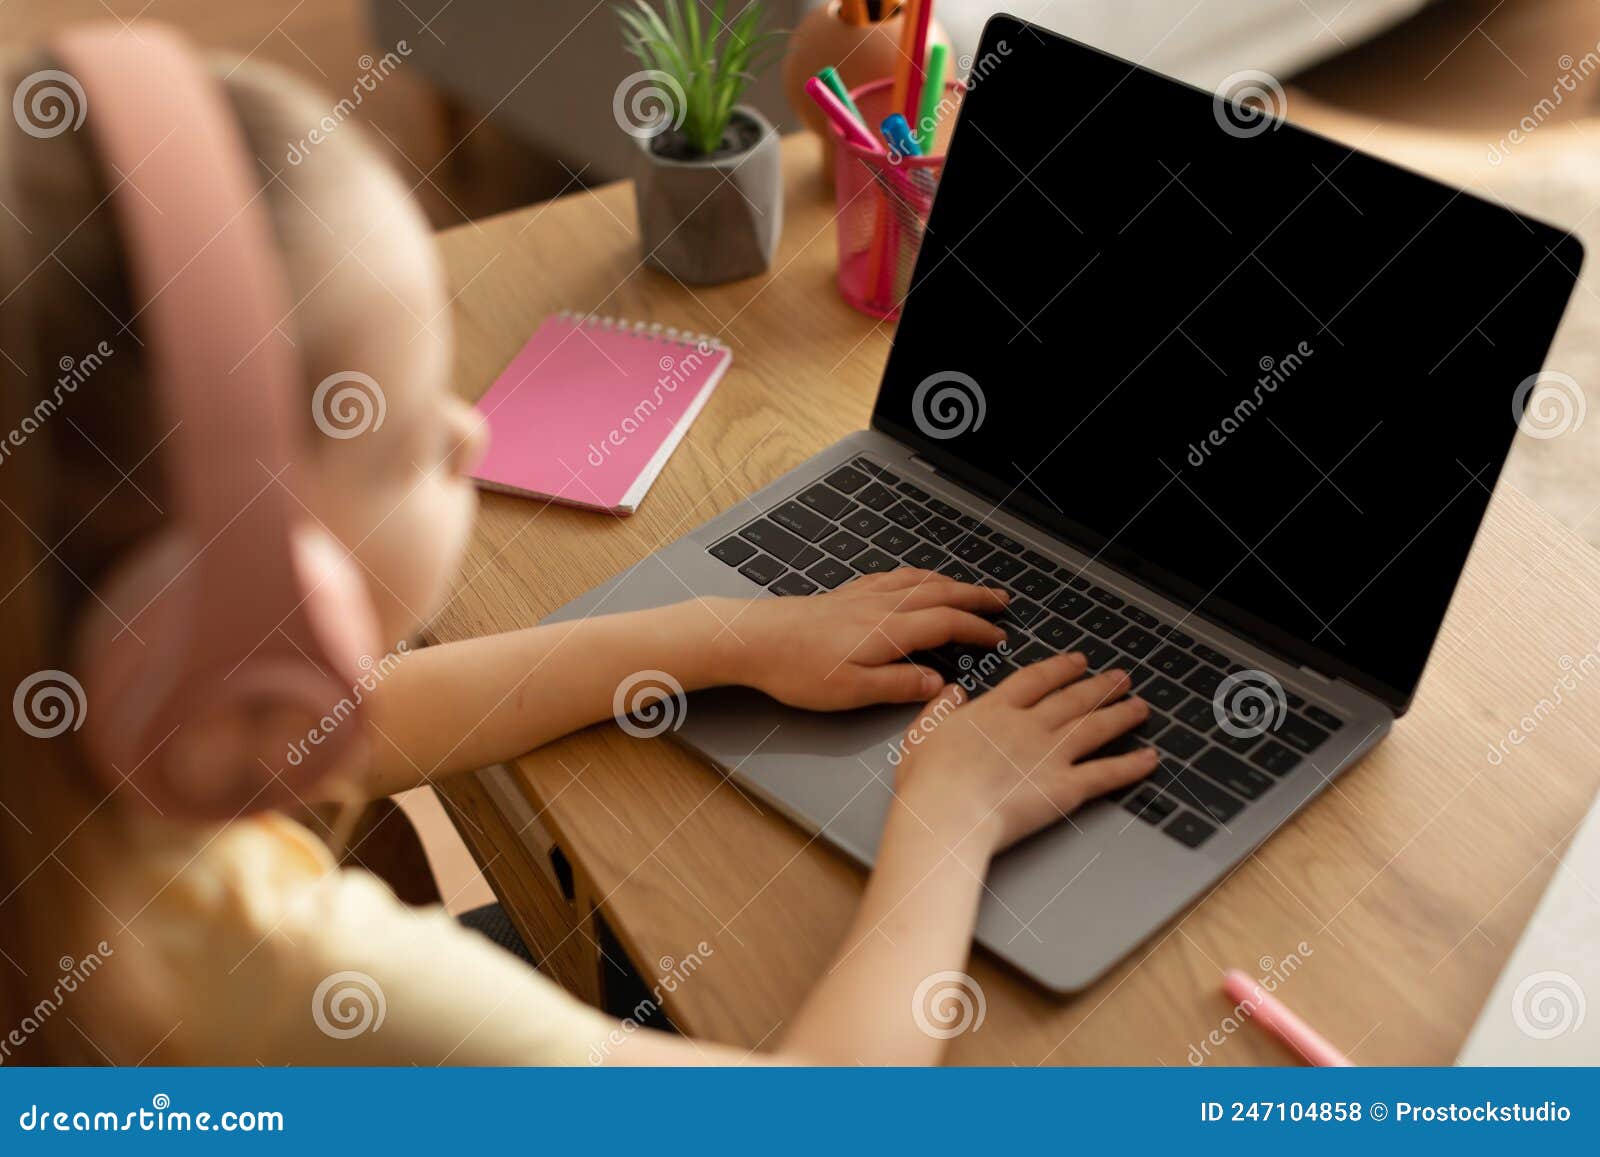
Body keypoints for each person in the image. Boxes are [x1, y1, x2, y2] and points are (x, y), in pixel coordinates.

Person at [0, 26, 1154, 1066]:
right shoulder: (291, 976)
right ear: (216, 604)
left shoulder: (62, 730)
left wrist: (724, 635)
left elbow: (370, 714)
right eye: (407, 439)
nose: (470, 429)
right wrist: (947, 826)